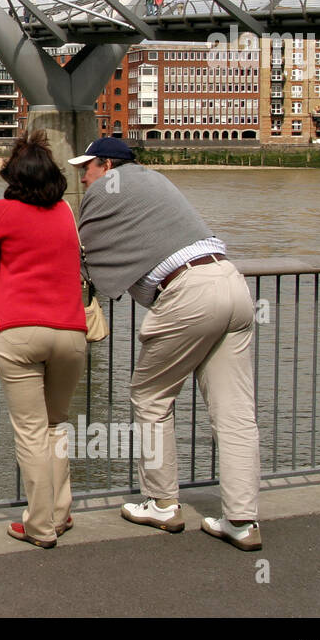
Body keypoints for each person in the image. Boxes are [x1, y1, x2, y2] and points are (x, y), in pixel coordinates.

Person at [68, 137, 262, 550]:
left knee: (151, 396)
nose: (82, 177)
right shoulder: (155, 180)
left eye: (87, 167)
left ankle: (161, 504)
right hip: (231, 282)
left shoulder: (106, 189)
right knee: (236, 413)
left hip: (187, 293)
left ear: (106, 165)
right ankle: (242, 522)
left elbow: (79, 253)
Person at [0, 131, 87, 548]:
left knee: (31, 432)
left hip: (20, 333)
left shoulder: (3, 210)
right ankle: (59, 514)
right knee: (56, 426)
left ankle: (38, 527)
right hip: (70, 333)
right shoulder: (67, 213)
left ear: (13, 178)